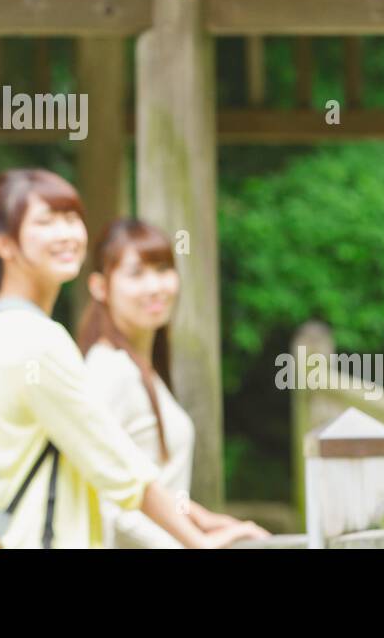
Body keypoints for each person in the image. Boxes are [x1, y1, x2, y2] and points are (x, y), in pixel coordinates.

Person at [0, 168, 263, 548]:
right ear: (3, 242)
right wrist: (197, 543)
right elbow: (121, 472)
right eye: (45, 222)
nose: (66, 233)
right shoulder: (36, 340)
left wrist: (203, 522)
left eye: (71, 218)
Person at [79, 217, 268, 548]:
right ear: (100, 287)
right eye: (137, 273)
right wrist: (193, 544)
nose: (155, 286)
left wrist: (201, 519)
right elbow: (105, 500)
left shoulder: (141, 369)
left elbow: (150, 484)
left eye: (163, 269)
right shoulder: (110, 369)